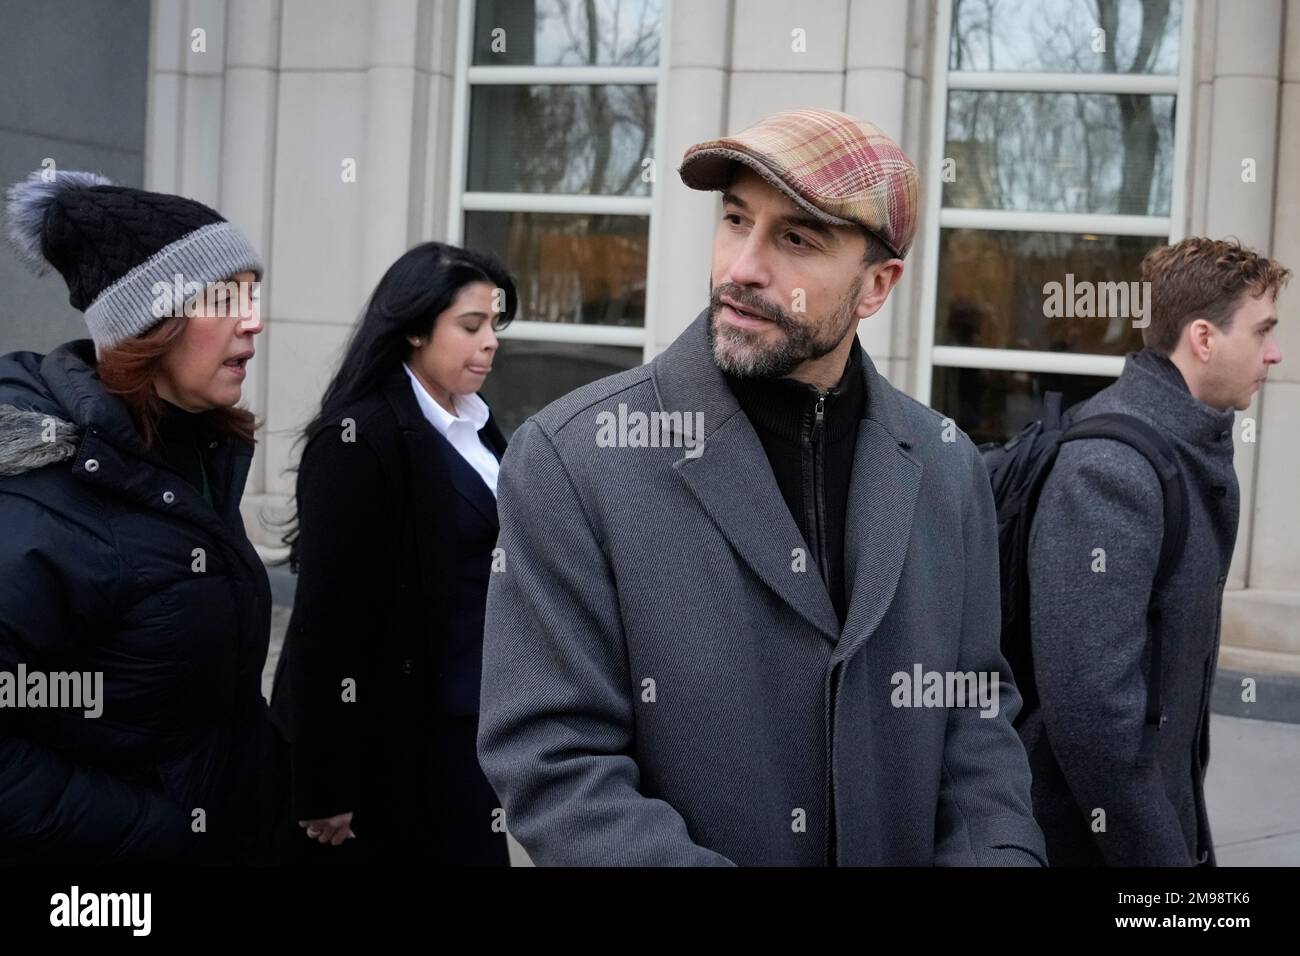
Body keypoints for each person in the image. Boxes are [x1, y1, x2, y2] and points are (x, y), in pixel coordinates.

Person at [477, 108, 1045, 866]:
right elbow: (556, 764)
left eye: (796, 238)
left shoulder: (948, 465)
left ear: (876, 285)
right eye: (736, 219)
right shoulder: (573, 460)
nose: (742, 266)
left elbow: (974, 716)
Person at [0, 169, 282, 864]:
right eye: (226, 298)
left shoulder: (194, 456)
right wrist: (149, 829)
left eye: (253, 294)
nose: (254, 320)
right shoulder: (42, 501)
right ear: (148, 325)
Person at [1021, 237, 1289, 866]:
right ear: (1203, 339)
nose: (1275, 353)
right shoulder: (1110, 472)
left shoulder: (1185, 444)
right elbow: (1095, 723)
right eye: (1263, 331)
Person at [272, 241, 515, 865]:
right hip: (391, 749)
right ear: (412, 329)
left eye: (495, 324)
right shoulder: (359, 438)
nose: (490, 342)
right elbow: (327, 623)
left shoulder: (478, 423)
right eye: (471, 326)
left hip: (472, 726)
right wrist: (323, 784)